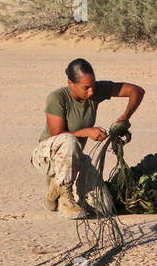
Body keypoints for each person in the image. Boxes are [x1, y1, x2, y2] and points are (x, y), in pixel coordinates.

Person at [32, 59, 145, 219]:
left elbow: (136, 91)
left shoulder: (96, 91)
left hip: (74, 158)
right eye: (86, 88)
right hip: (47, 156)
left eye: (93, 86)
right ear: (71, 83)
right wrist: (87, 132)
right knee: (69, 141)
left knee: (104, 206)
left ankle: (55, 189)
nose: (91, 92)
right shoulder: (57, 98)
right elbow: (58, 134)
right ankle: (65, 198)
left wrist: (125, 117)